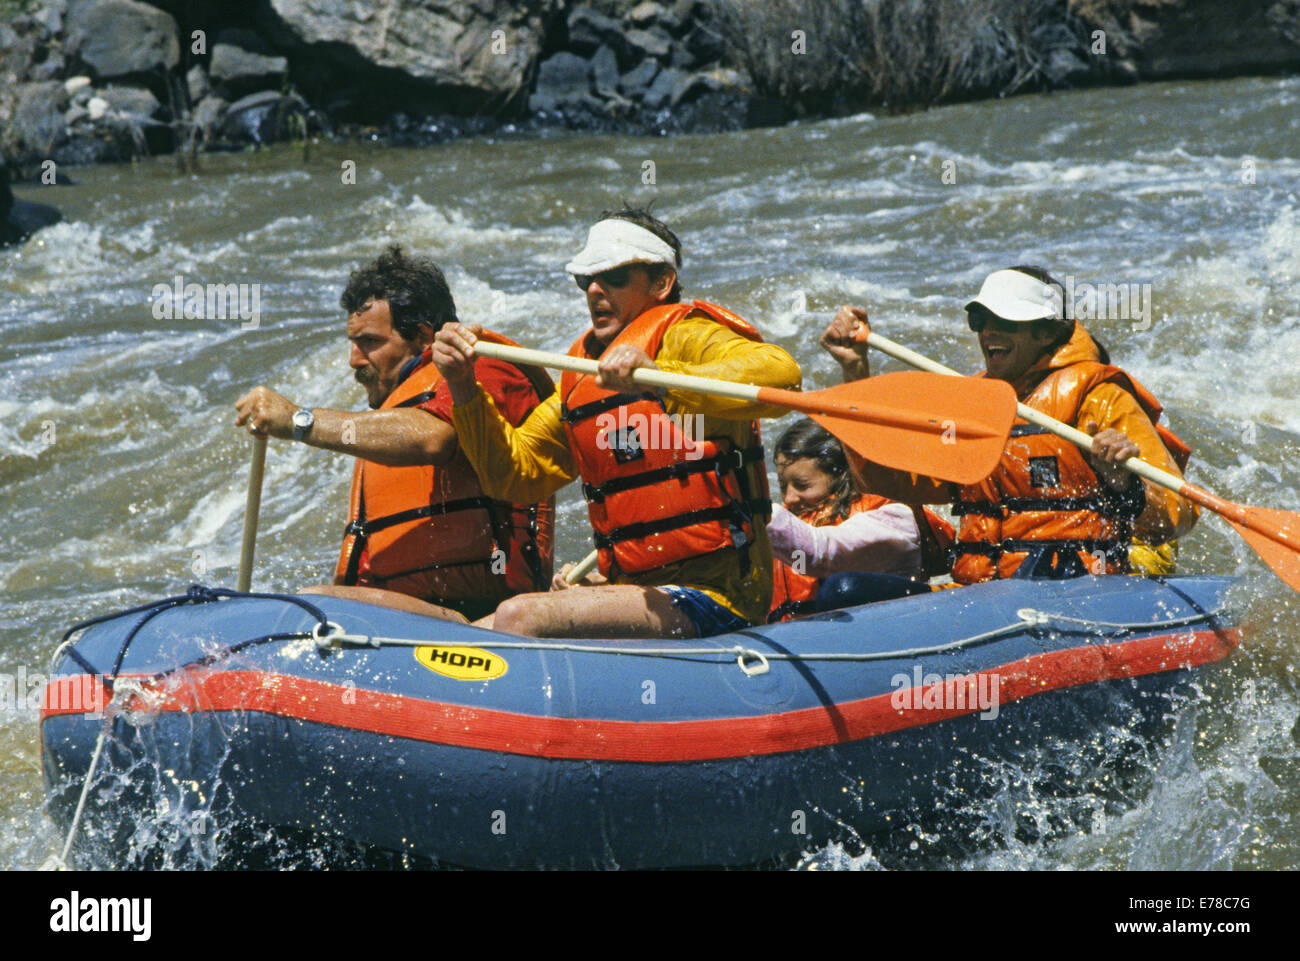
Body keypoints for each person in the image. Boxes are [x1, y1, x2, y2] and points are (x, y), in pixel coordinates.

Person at [432, 206, 802, 638]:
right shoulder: (583, 372)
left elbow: (783, 377)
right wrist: (462, 386)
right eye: (584, 280)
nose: (594, 291)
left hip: (719, 598)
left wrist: (663, 380)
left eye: (615, 278)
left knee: (521, 617)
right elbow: (515, 476)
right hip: (636, 593)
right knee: (472, 636)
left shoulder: (690, 335)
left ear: (662, 282)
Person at [235, 245, 554, 620]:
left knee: (315, 605)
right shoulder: (389, 420)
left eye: (370, 342)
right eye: (353, 343)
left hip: (486, 617)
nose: (354, 360)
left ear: (422, 337)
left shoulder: (476, 368)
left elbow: (434, 438)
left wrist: (298, 421)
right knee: (306, 606)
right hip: (415, 615)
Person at [821, 265, 1197, 583]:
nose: (988, 332)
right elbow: (886, 478)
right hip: (981, 595)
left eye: (1005, 320)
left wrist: (1121, 482)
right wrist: (854, 371)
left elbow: (1177, 514)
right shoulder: (973, 402)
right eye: (980, 320)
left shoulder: (1099, 396)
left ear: (1047, 332)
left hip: (1077, 587)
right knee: (845, 590)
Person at [767, 418, 953, 621]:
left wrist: (757, 511)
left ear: (841, 476)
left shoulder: (893, 518)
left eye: (802, 485)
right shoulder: (791, 527)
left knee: (841, 588)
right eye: (783, 486)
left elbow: (819, 552)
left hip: (883, 630)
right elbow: (799, 562)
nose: (789, 498)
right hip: (795, 635)